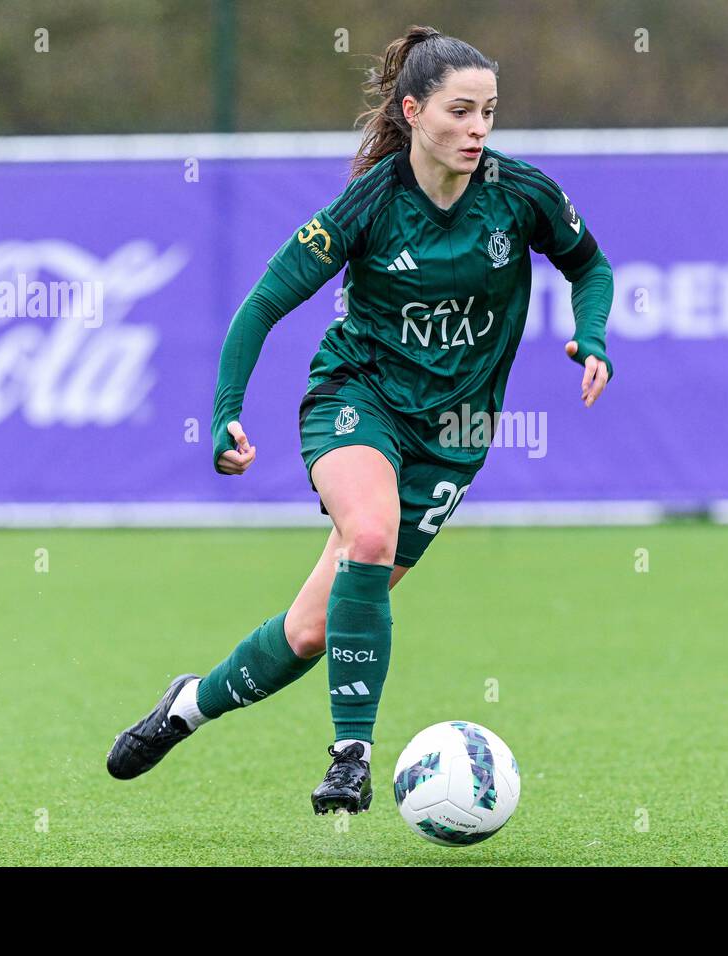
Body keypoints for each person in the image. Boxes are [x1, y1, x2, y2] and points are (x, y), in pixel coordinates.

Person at [107, 25, 614, 814]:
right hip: (358, 399)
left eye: (489, 112)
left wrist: (593, 333)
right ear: (413, 111)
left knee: (312, 633)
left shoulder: (523, 196)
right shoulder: (370, 204)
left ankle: (187, 706)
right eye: (460, 111)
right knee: (369, 537)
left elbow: (589, 264)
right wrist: (225, 416)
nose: (478, 129)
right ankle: (351, 755)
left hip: (455, 439)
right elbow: (262, 304)